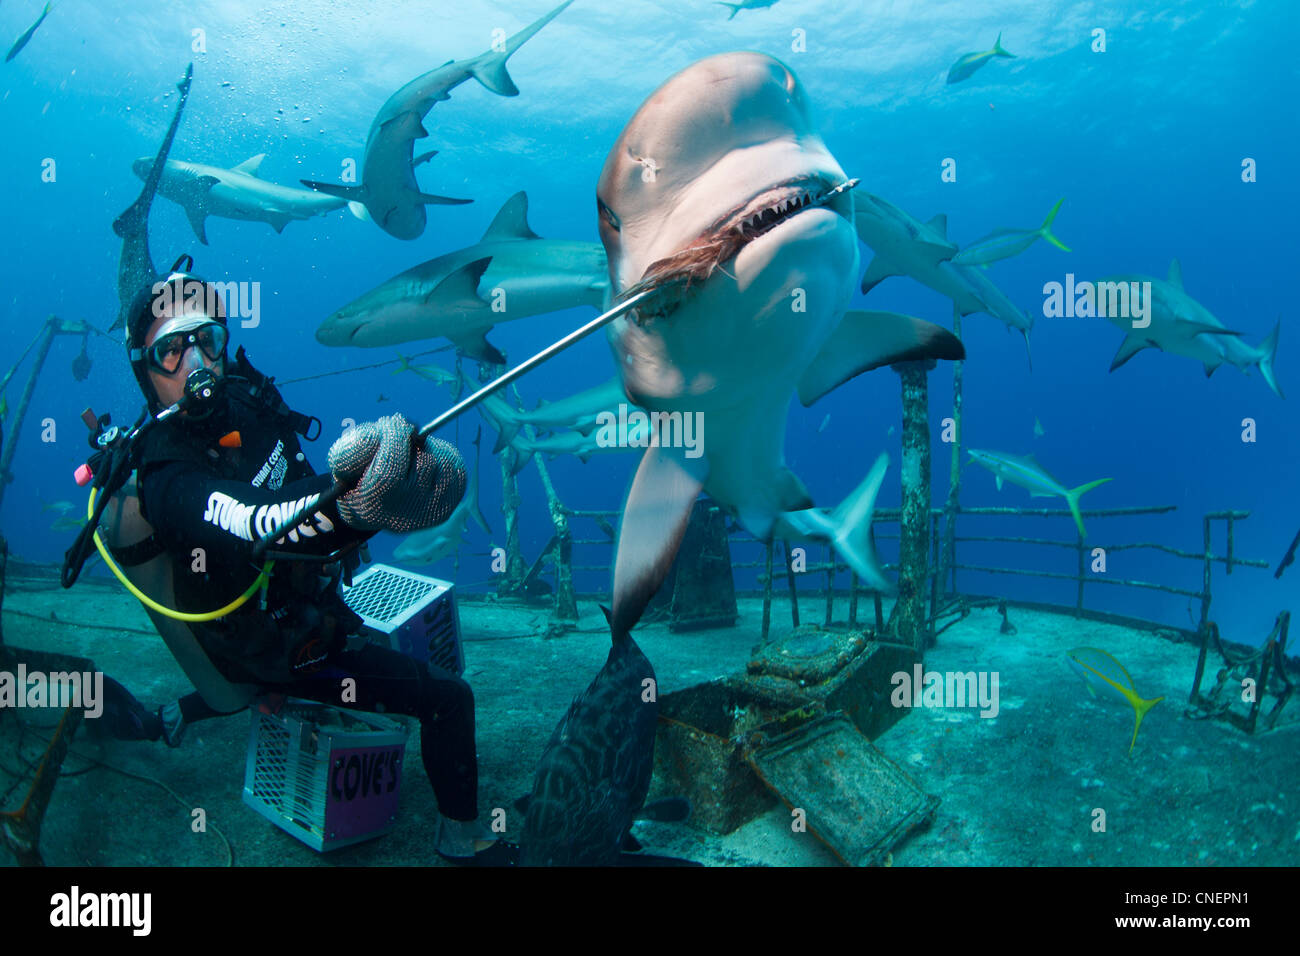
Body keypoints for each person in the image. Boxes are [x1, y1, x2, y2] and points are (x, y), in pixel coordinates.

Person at [117, 262, 513, 865]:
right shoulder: (167, 474)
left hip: (298, 606)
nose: (195, 362)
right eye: (170, 351)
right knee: (449, 698)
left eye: (207, 339)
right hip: (272, 644)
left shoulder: (250, 402)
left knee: (284, 671)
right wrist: (354, 503)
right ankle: (461, 839)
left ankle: (188, 710)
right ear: (147, 372)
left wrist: (345, 535)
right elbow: (253, 519)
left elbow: (292, 474)